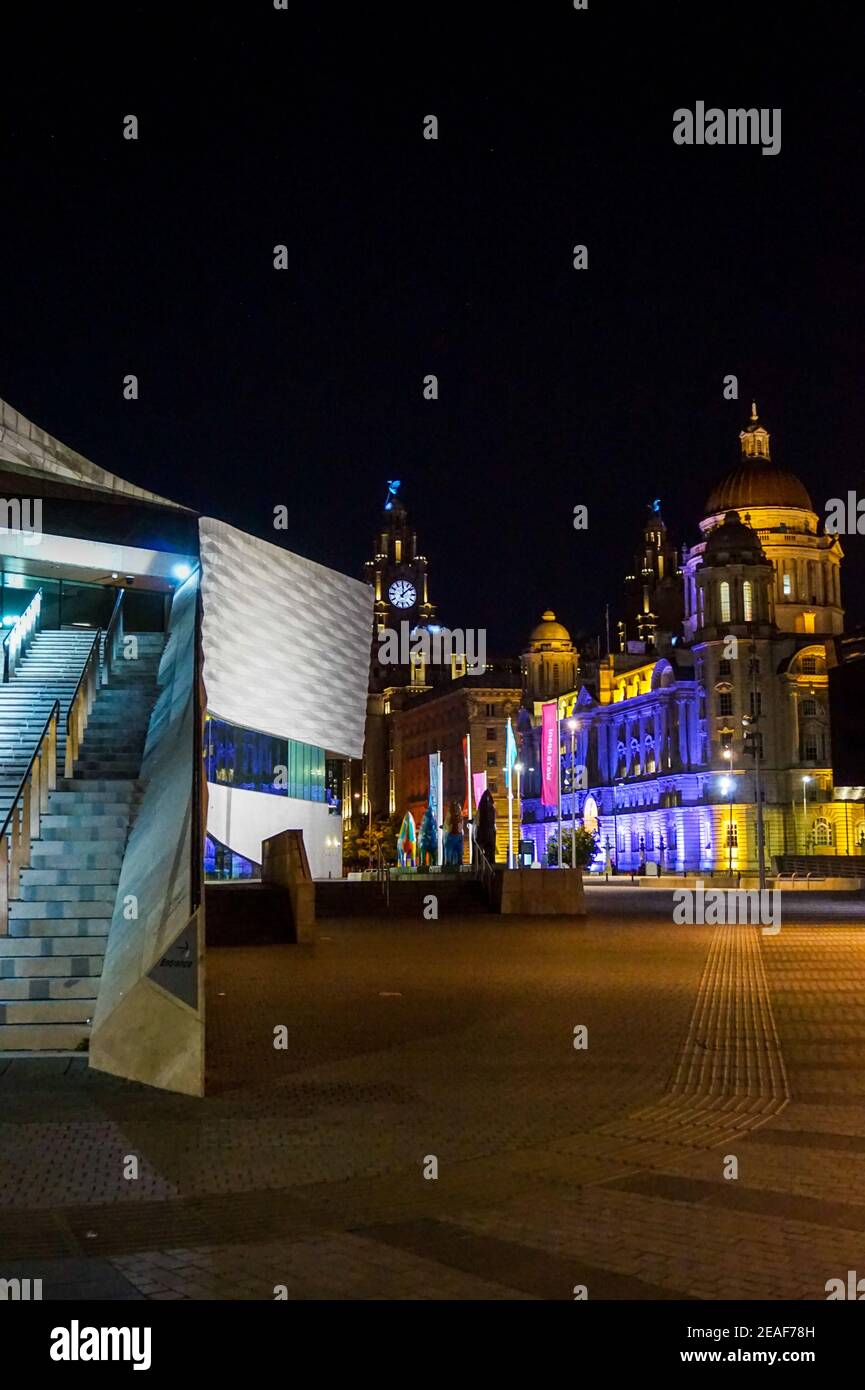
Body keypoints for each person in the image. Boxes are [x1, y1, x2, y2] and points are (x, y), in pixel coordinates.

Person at [474, 788, 497, 865]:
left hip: (485, 831)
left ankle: (483, 861)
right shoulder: (492, 808)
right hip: (488, 832)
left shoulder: (483, 809)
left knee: (484, 848)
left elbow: (477, 820)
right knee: (489, 849)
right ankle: (489, 861)